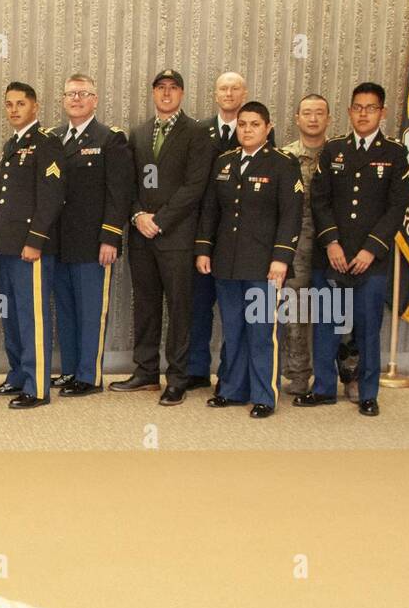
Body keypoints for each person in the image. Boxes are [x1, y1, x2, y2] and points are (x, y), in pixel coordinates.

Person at [295, 82, 409, 417]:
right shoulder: (333, 151)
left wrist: (370, 250)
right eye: (357, 107)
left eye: (370, 108)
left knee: (367, 328)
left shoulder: (394, 153)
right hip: (332, 257)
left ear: (382, 112)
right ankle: (324, 388)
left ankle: (368, 392)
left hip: (370, 262)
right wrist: (331, 242)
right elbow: (320, 200)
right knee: (327, 325)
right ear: (348, 112)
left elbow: (396, 207)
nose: (363, 114)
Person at [111, 69, 213, 406]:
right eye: (160, 88)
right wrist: (139, 216)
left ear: (181, 94)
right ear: (153, 93)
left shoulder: (197, 133)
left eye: (172, 89)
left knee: (180, 308)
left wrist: (161, 220)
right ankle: (145, 371)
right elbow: (129, 183)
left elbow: (195, 187)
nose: (166, 94)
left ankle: (178, 378)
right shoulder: (138, 133)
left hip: (177, 237)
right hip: (143, 236)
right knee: (146, 305)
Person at [195, 101, 302, 418]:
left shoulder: (283, 163)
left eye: (255, 124)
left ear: (268, 128)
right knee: (234, 328)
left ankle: (264, 395)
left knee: (262, 331)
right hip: (227, 262)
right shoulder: (225, 162)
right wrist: (203, 248)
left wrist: (281, 258)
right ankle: (231, 389)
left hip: (264, 264)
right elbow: (211, 210)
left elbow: (291, 215)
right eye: (242, 124)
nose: (247, 130)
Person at [49, 73, 131, 396]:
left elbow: (119, 193)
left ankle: (89, 376)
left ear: (95, 99)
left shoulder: (110, 138)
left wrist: (111, 236)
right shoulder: (55, 138)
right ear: (63, 100)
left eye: (83, 93)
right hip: (61, 243)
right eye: (70, 94)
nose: (76, 99)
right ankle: (70, 370)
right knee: (66, 311)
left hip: (94, 243)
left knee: (91, 311)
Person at [0, 81, 64, 409]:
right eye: (9, 104)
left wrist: (36, 241)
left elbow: (51, 196)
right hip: (6, 246)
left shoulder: (46, 143)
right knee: (12, 315)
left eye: (21, 103)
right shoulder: (11, 144)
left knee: (32, 316)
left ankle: (37, 387)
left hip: (29, 248)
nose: (14, 109)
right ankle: (17, 374)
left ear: (35, 106)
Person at [279, 93, 332, 396]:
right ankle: (298, 374)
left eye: (319, 113)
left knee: (337, 310)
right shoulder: (284, 157)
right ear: (297, 118)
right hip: (296, 245)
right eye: (307, 113)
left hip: (332, 246)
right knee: (294, 311)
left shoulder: (339, 153)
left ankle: (346, 371)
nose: (313, 119)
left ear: (328, 119)